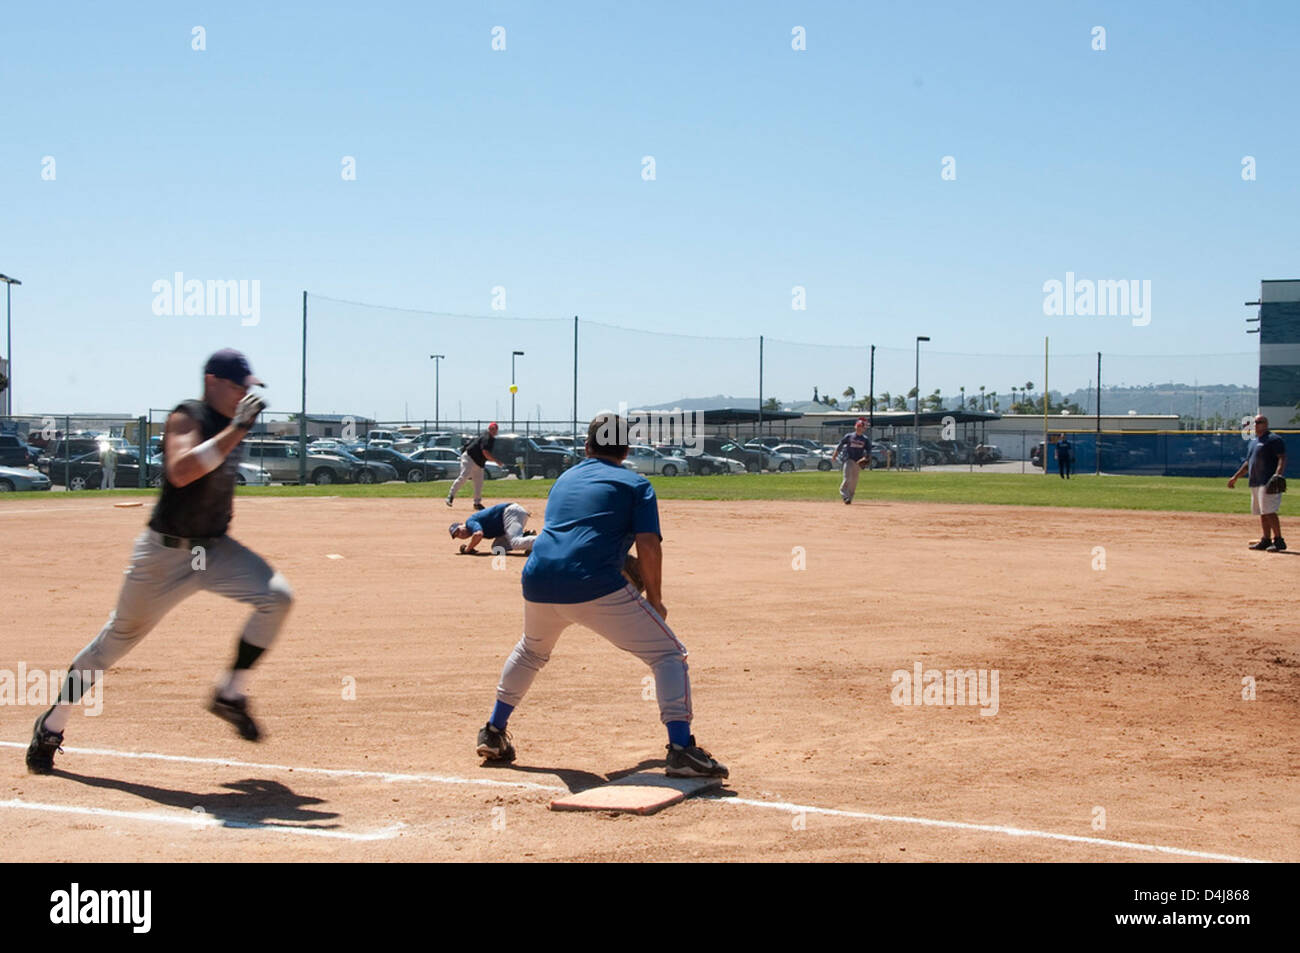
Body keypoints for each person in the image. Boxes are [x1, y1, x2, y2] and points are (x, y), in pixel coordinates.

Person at [25, 349, 294, 774]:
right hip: (164, 555)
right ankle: (52, 723)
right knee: (114, 642)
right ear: (212, 382)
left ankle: (230, 693)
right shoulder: (187, 416)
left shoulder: (235, 424)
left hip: (213, 550)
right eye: (238, 387)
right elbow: (181, 472)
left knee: (277, 597)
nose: (245, 396)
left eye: (249, 389)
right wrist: (238, 428)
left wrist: (237, 427)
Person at [474, 412, 728, 778]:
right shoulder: (636, 484)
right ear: (626, 450)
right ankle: (681, 749)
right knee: (668, 654)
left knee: (531, 651)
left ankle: (493, 732)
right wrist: (655, 601)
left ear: (586, 447)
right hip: (594, 583)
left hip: (538, 578)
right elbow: (649, 545)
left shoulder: (564, 479)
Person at [1227, 414, 1287, 552]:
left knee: (1270, 511)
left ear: (1266, 424)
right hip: (1255, 481)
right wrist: (1235, 477)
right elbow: (1248, 463)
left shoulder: (1274, 439)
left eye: (1259, 422)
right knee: (1262, 512)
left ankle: (1279, 540)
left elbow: (1282, 458)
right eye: (1254, 422)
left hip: (1268, 481)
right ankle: (1266, 539)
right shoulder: (1253, 442)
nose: (1255, 424)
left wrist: (1278, 474)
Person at [447, 422, 500, 511]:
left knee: (479, 482)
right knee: (464, 476)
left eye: (495, 429)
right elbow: (485, 453)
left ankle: (477, 503)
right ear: (489, 429)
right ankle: (450, 496)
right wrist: (496, 461)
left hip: (479, 462)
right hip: (469, 457)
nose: (493, 431)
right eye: (492, 429)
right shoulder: (486, 437)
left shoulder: (492, 440)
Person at [450, 502, 536, 555]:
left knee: (515, 542)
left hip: (510, 513)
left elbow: (478, 534)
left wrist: (468, 549)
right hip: (508, 520)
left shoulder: (470, 522)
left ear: (461, 524)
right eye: (457, 535)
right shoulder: (472, 527)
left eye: (458, 530)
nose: (460, 534)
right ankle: (526, 536)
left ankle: (542, 540)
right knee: (497, 549)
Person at [830, 417, 871, 504]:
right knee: (847, 478)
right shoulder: (849, 436)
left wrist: (866, 458)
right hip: (849, 459)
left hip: (858, 461)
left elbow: (868, 451)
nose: (859, 428)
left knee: (854, 481)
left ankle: (849, 498)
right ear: (855, 427)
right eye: (858, 426)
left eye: (861, 426)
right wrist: (835, 455)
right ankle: (844, 495)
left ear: (864, 428)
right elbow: (840, 445)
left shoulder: (865, 439)